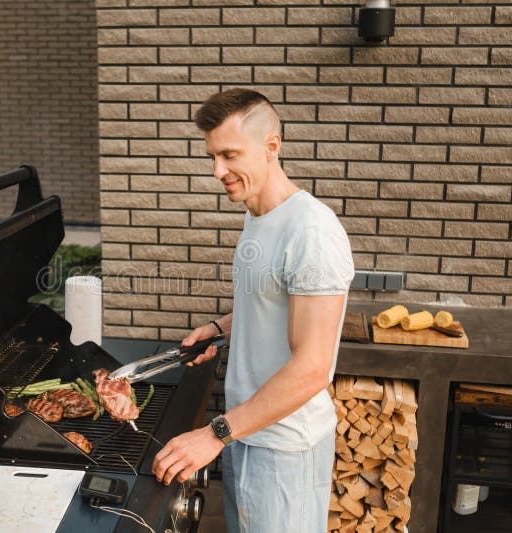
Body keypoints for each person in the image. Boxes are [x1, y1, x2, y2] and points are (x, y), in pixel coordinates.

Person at [151, 88, 355, 533]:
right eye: (212, 157)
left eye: (229, 155)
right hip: (248, 432)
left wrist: (213, 435)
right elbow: (270, 302)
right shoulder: (258, 215)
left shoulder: (311, 232)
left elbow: (312, 369)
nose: (217, 171)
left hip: (285, 449)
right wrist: (220, 328)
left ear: (271, 147)